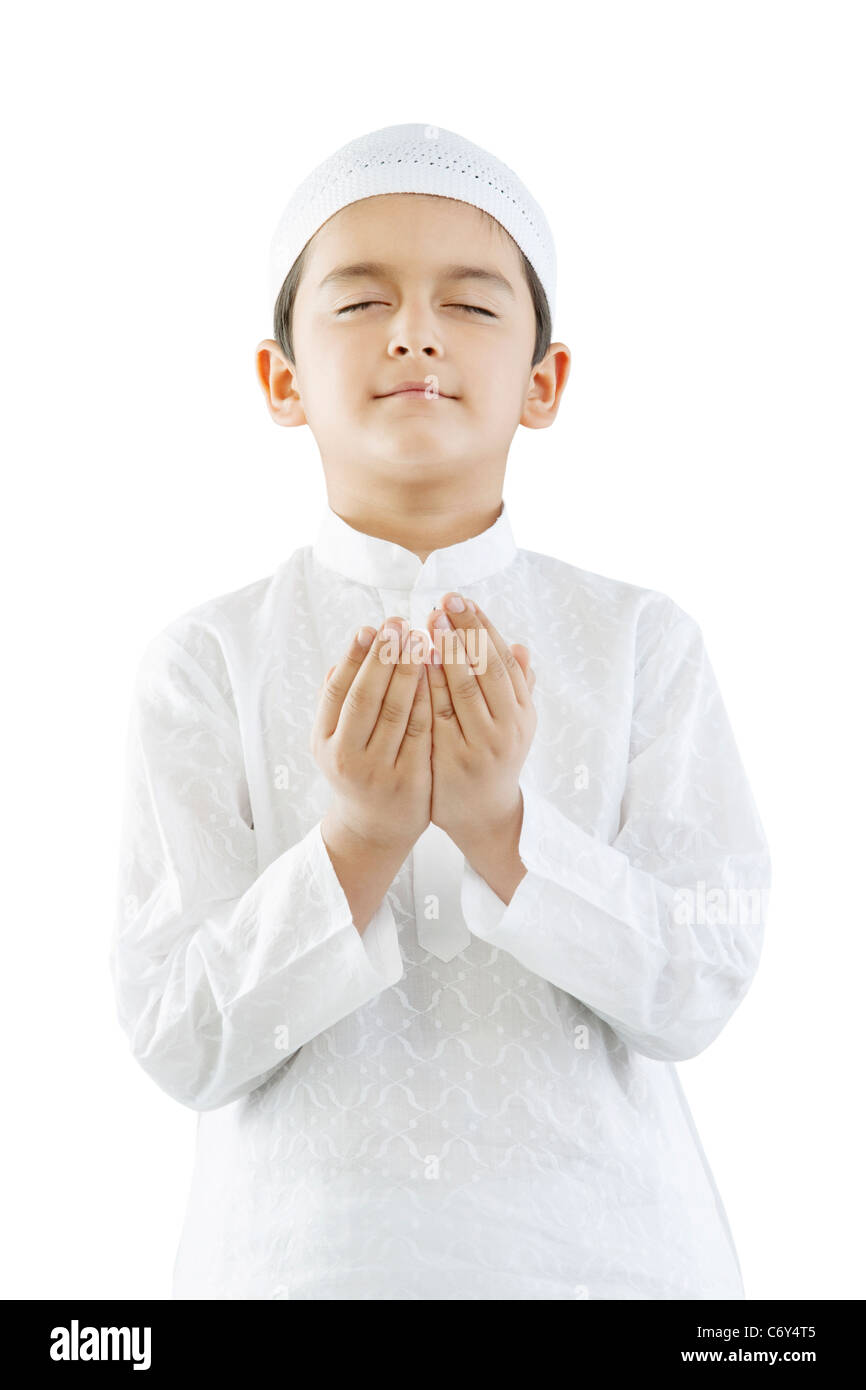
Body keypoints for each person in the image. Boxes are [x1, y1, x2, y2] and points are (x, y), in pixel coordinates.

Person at [109, 122, 772, 1300]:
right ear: (280, 379)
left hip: (611, 1262)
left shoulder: (639, 643)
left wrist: (506, 834)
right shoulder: (206, 662)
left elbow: (698, 982)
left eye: (468, 305)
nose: (414, 330)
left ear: (542, 381)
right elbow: (179, 1035)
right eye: (360, 304)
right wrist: (353, 844)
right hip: (297, 1266)